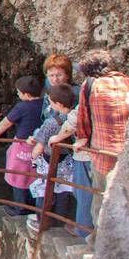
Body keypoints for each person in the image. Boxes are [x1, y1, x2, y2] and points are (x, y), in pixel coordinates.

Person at [72, 48, 129, 226]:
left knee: (101, 200)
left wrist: (82, 138)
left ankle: (97, 243)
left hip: (103, 153)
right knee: (128, 201)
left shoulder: (91, 85)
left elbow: (83, 116)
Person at [0, 75, 44, 214]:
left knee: (18, 175)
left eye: (18, 92)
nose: (18, 95)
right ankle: (33, 205)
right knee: (34, 175)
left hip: (23, 145)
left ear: (26, 94)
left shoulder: (22, 106)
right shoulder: (44, 104)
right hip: (39, 146)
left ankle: (20, 208)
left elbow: (7, 122)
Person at [26, 83, 78, 235]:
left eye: (50, 101)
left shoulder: (51, 123)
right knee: (63, 190)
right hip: (68, 161)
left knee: (44, 190)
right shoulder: (75, 118)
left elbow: (39, 148)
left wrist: (32, 156)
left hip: (49, 160)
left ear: (58, 104)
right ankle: (59, 220)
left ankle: (42, 221)